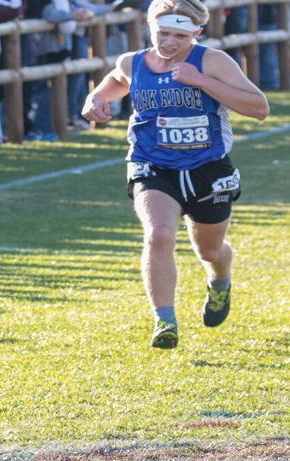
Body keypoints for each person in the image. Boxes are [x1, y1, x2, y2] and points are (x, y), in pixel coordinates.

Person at [80, 0, 265, 348]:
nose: (168, 42)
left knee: (208, 250)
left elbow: (259, 108)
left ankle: (220, 280)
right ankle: (165, 321)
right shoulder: (133, 61)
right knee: (159, 234)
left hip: (207, 167)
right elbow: (118, 79)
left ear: (197, 33)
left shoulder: (212, 61)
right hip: (152, 163)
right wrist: (97, 97)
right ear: (150, 27)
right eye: (162, 32)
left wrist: (201, 81)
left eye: (179, 35)